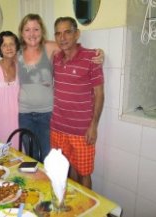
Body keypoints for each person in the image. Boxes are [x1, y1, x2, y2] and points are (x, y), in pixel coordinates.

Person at [0, 14, 104, 162]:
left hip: (47, 114)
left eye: (36, 29)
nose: (32, 34)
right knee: (29, 158)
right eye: (27, 30)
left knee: (47, 157)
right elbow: (2, 61)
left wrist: (99, 53)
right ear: (22, 32)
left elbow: (72, 46)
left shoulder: (50, 47)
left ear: (42, 31)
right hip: (24, 114)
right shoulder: (17, 53)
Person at [50, 16, 104, 189]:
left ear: (77, 34)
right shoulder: (56, 59)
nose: (62, 37)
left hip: (82, 131)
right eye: (58, 33)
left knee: (84, 173)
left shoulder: (91, 58)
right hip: (58, 128)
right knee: (66, 169)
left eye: (67, 32)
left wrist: (93, 125)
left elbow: (99, 94)